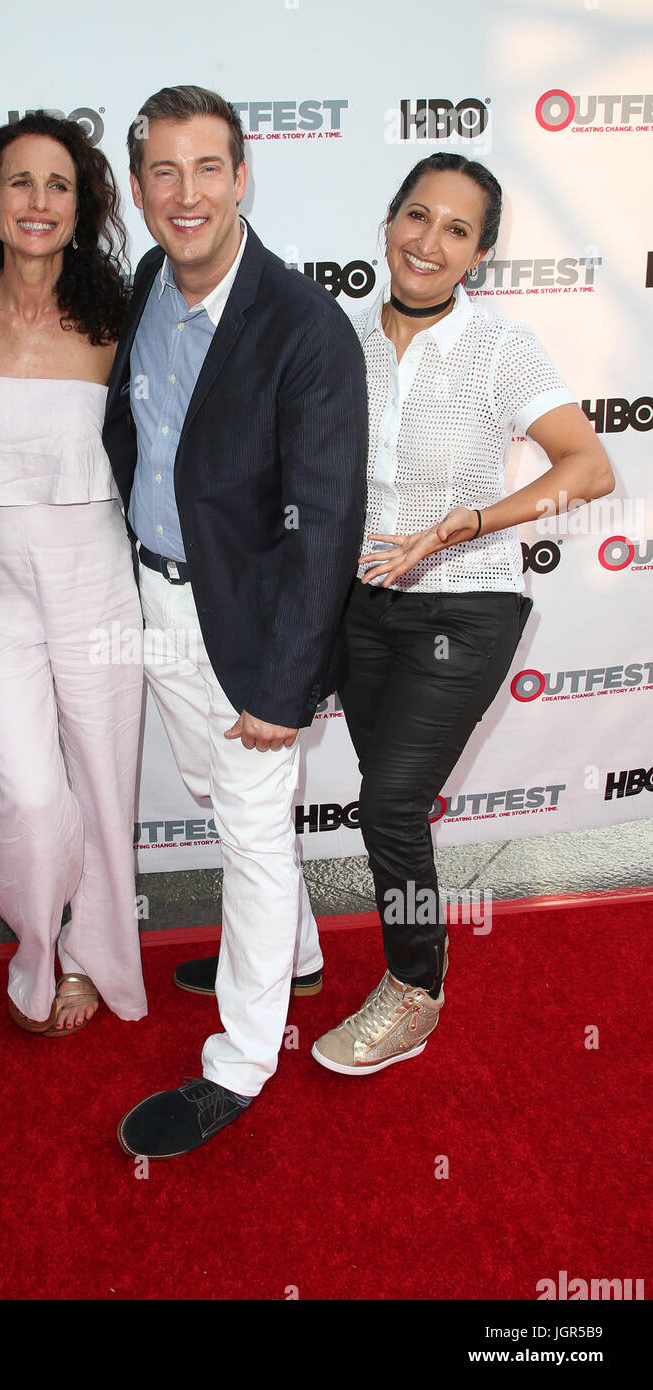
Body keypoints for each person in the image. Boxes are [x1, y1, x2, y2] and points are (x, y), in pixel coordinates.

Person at [104, 86, 367, 1158]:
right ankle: (291, 951)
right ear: (136, 189)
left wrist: (282, 685)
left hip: (253, 631)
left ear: (241, 174)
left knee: (253, 836)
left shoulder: (304, 327)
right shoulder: (142, 286)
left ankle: (242, 1061)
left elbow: (326, 524)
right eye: (161, 171)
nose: (185, 193)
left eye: (206, 167)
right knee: (218, 797)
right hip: (156, 600)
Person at [310, 152, 614, 1075]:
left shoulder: (499, 349)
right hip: (364, 609)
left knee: (390, 803)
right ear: (388, 222)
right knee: (390, 804)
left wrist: (466, 524)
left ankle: (414, 992)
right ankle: (319, 958)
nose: (427, 242)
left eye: (454, 229)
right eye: (415, 216)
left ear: (478, 253)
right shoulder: (341, 343)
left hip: (470, 601)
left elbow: (588, 468)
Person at [0, 113, 147, 1036]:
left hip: (93, 570)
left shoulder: (115, 320)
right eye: (20, 182)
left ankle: (95, 959)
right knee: (24, 791)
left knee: (102, 779)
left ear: (82, 204)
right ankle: (38, 950)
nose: (38, 202)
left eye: (58, 185)